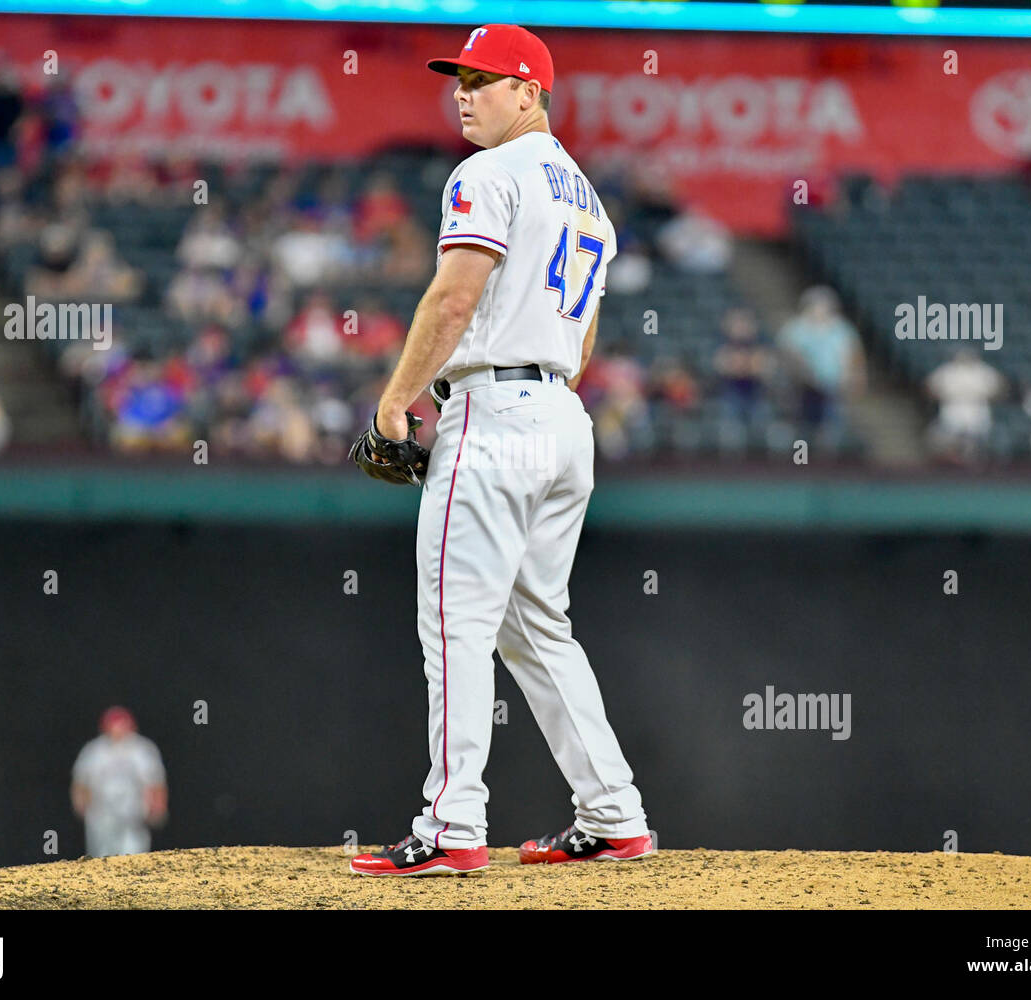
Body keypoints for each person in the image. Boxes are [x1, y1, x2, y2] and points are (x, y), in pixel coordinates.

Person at [348, 24, 653, 877]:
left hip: (494, 412)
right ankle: (613, 812)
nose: (463, 93)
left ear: (531, 94)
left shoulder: (486, 173)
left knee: (455, 621)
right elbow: (585, 340)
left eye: (483, 80)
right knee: (537, 627)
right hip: (562, 417)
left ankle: (451, 829)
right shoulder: (589, 197)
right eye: (459, 80)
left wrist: (395, 401)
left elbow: (451, 300)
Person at [776, 286, 866, 450]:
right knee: (799, 427)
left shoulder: (842, 330)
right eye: (818, 306)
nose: (822, 310)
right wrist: (806, 373)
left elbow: (853, 357)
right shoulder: (795, 329)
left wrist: (851, 378)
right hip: (801, 389)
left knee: (831, 427)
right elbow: (787, 355)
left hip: (832, 388)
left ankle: (826, 460)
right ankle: (798, 458)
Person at [71, 707, 167, 858]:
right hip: (101, 814)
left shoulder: (142, 749)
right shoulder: (94, 751)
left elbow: (155, 782)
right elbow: (81, 783)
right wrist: (81, 804)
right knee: (101, 858)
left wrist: (158, 807)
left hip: (133, 814)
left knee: (134, 856)